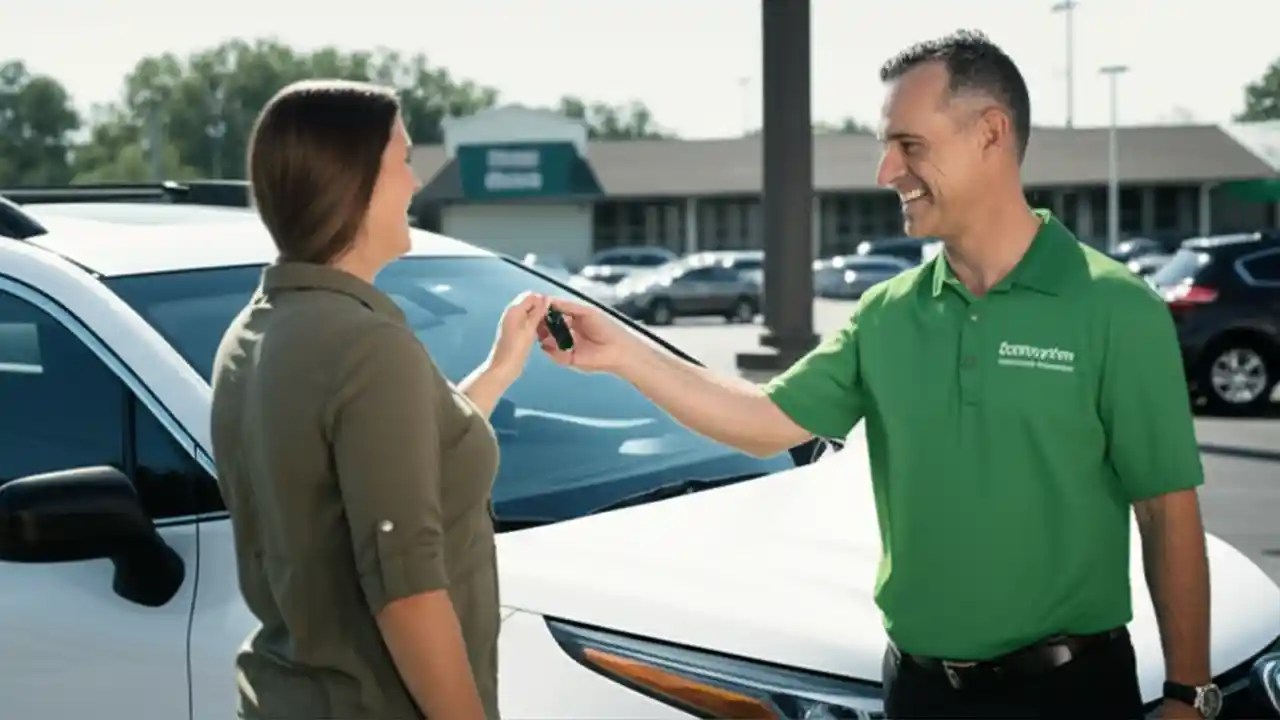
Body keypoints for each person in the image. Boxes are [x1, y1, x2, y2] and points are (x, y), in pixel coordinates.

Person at [536, 30, 1217, 720]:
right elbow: (764, 425)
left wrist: (1189, 694)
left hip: (1068, 696)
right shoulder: (887, 315)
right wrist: (623, 352)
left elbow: (1167, 513)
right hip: (916, 696)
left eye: (909, 144)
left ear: (990, 133)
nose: (886, 170)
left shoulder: (1115, 308)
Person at [210, 79, 547, 720]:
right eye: (404, 161)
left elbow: (415, 444)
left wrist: (501, 368)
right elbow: (408, 593)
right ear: (355, 182)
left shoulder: (256, 329)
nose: (416, 183)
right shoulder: (366, 346)